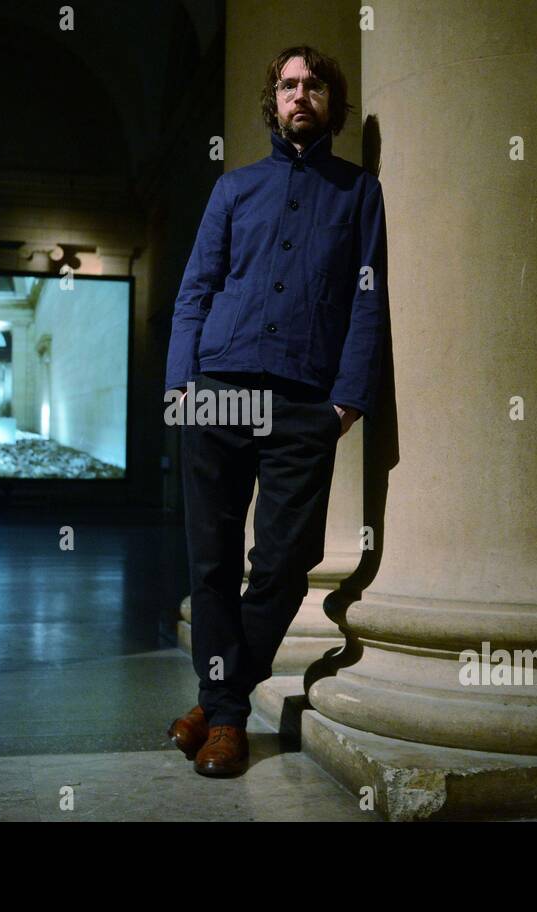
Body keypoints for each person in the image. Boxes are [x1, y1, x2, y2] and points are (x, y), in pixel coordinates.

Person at [163, 45, 389, 776]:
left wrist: (347, 398)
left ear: (331, 102)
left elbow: (367, 298)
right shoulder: (234, 190)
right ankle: (227, 718)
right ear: (275, 100)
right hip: (219, 392)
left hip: (301, 401)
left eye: (314, 85)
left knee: (287, 563)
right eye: (289, 84)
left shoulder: (359, 193)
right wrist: (182, 387)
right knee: (213, 562)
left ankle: (214, 703)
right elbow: (196, 288)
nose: (301, 95)